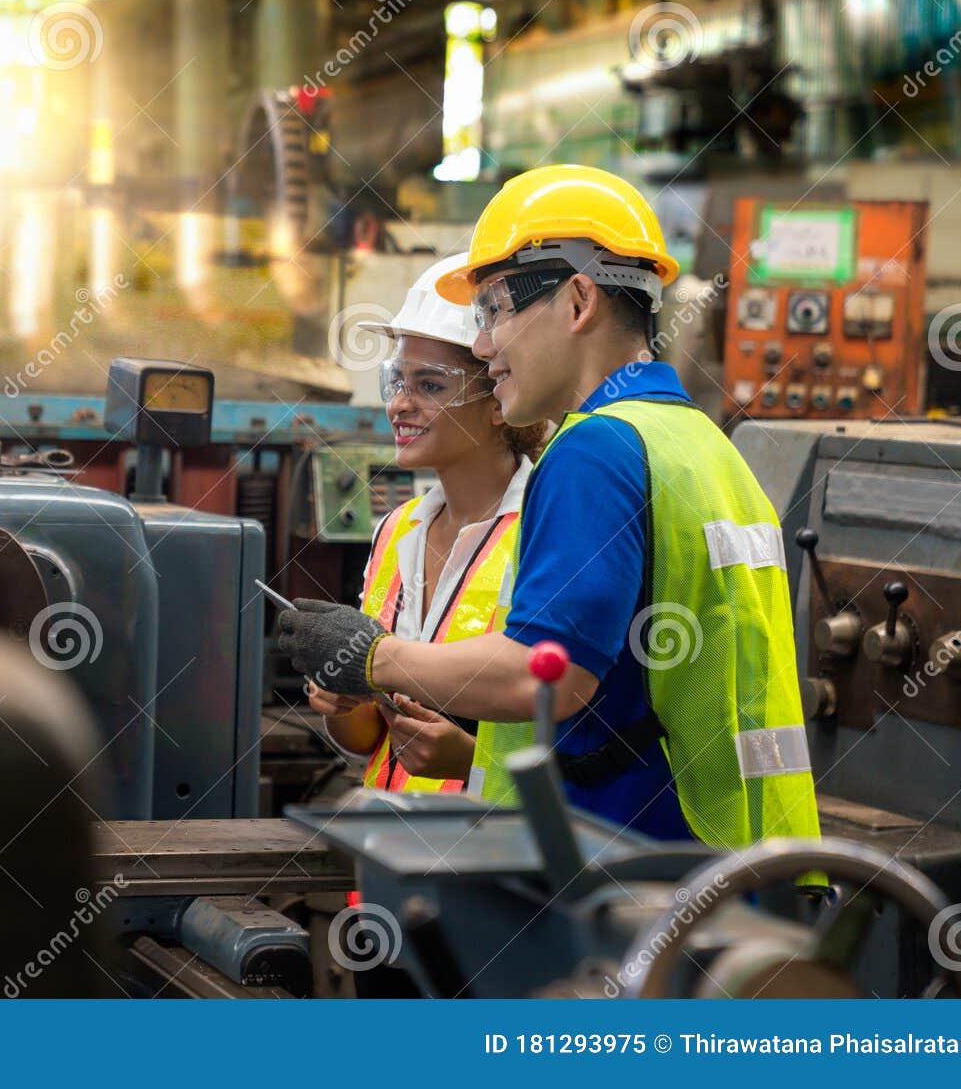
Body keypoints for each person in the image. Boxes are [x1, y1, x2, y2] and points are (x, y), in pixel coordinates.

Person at [279, 165, 821, 851]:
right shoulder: (703, 445)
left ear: (577, 300)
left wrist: (373, 657)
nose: (484, 345)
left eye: (497, 310)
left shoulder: (596, 448)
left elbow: (550, 672)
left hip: (638, 874)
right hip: (747, 863)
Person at [304, 254, 547, 800]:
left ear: (499, 401)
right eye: (397, 381)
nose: (400, 405)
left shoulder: (544, 529)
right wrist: (341, 700)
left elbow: (585, 731)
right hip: (390, 849)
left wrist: (471, 759)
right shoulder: (397, 528)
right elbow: (369, 741)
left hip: (495, 854)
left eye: (432, 386)